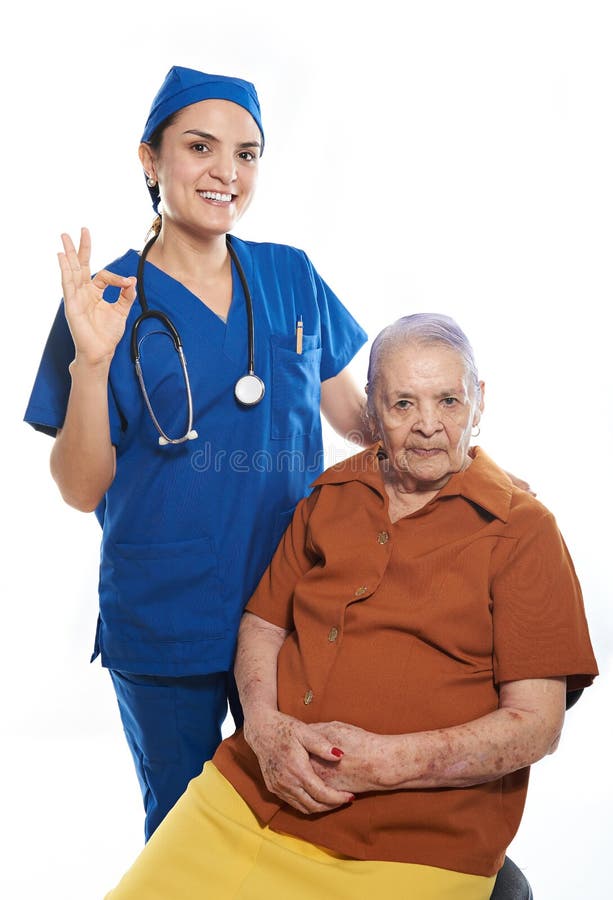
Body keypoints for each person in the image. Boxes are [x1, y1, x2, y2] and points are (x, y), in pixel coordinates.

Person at [105, 313, 597, 900]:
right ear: (372, 408)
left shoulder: (524, 530)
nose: (428, 427)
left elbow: (537, 726)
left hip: (416, 837)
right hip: (254, 790)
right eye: (403, 405)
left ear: (479, 401)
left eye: (448, 401)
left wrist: (386, 763)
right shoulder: (331, 495)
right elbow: (262, 623)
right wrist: (263, 730)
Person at [23, 65, 369, 840]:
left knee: (302, 810)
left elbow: (356, 414)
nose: (226, 173)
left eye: (247, 154)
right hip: (165, 612)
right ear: (150, 160)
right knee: (187, 829)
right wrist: (89, 362)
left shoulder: (290, 276)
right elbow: (80, 490)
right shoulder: (105, 298)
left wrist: (435, 401)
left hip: (291, 607)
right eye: (201, 147)